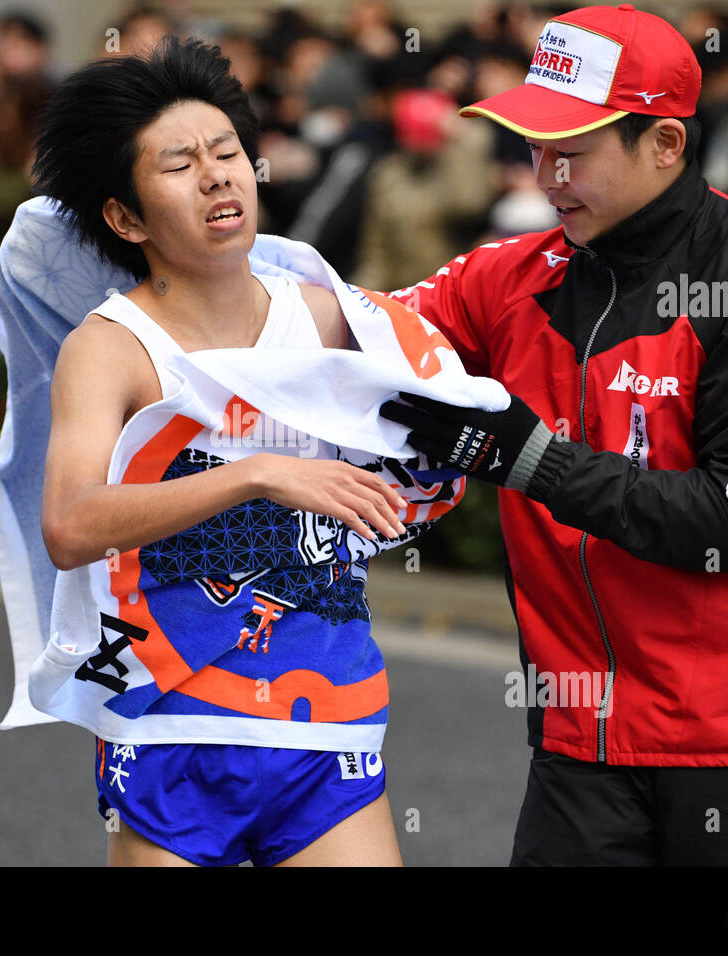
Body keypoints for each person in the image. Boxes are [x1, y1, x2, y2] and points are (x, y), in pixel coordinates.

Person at [378, 3, 728, 865]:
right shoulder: (512, 274)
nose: (545, 175)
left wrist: (523, 458)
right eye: (533, 146)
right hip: (585, 737)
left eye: (571, 151)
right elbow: (350, 329)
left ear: (666, 145)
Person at [33, 37, 482, 867]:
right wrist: (257, 475)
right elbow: (69, 523)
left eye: (228, 151)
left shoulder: (331, 317)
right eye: (178, 165)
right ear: (125, 217)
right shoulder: (112, 347)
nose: (216, 176)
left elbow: (432, 432)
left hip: (328, 711)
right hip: (174, 720)